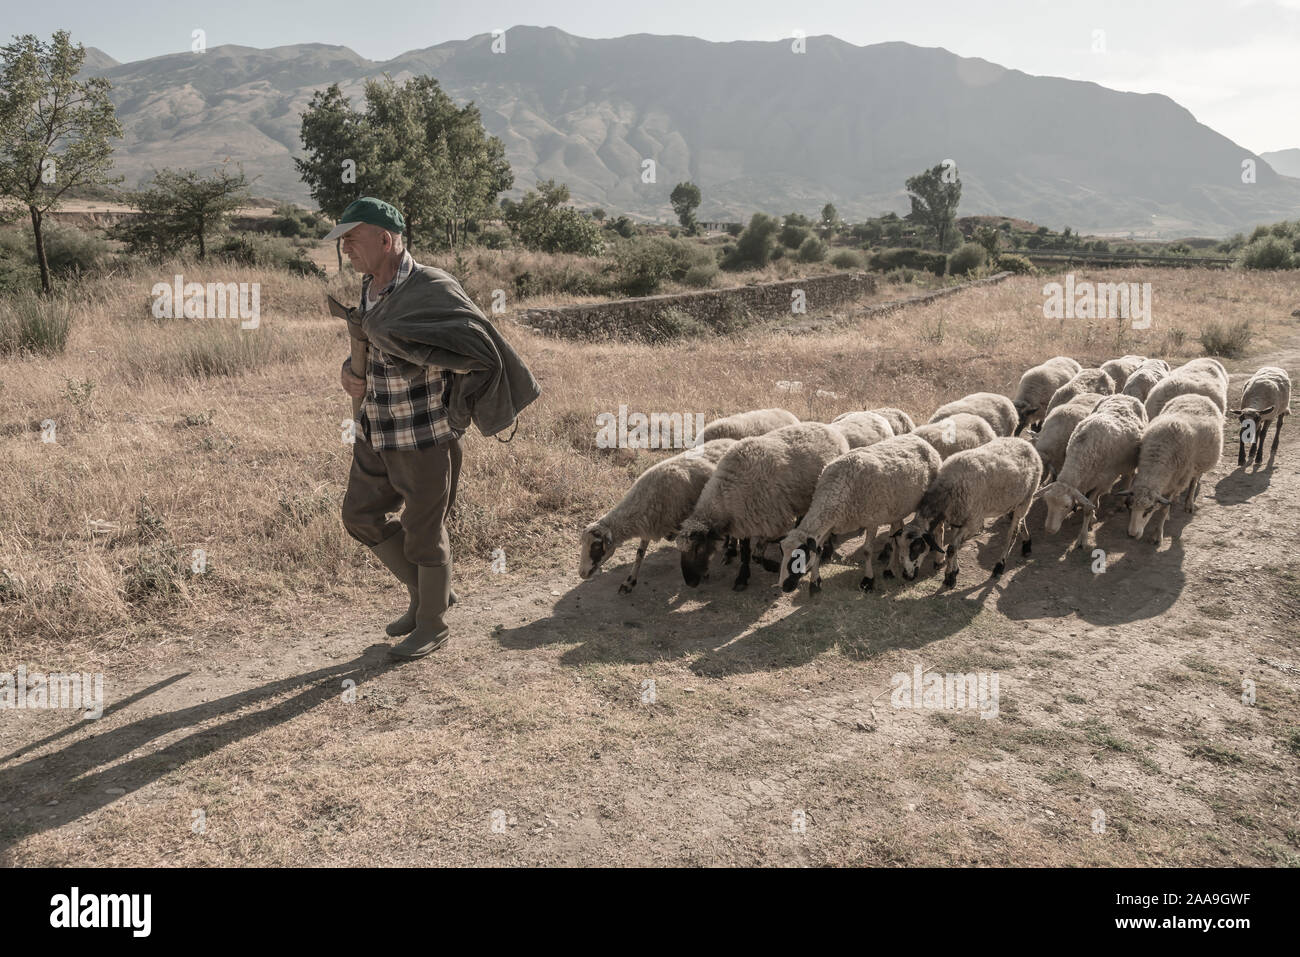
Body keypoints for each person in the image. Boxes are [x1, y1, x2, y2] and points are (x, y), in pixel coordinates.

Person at [328, 197, 540, 660]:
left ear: (385, 240)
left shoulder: (432, 288)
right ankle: (430, 596)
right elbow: (380, 348)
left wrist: (451, 399)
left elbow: (478, 349)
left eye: (351, 238)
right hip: (375, 429)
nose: (346, 249)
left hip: (424, 434)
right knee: (359, 516)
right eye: (342, 241)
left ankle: (432, 623)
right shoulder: (370, 287)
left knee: (424, 532)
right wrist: (350, 370)